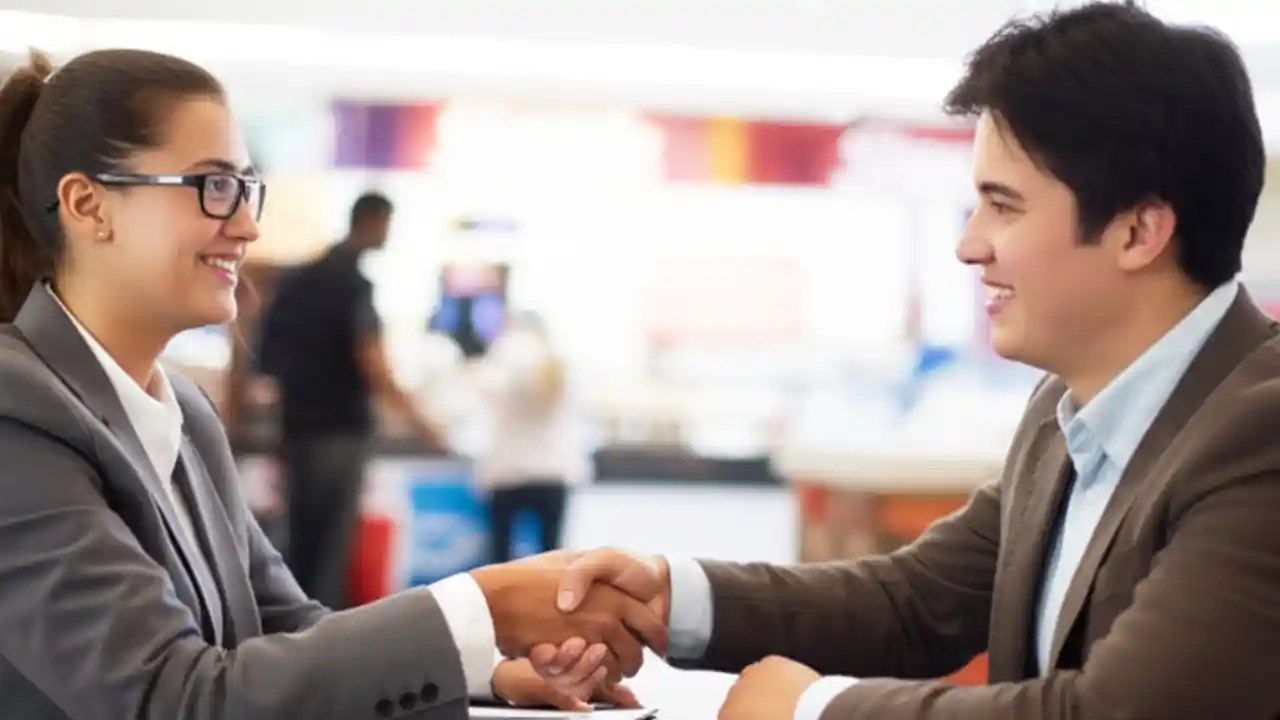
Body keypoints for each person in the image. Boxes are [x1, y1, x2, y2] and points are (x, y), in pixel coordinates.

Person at [538, 4, 1280, 718]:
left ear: (1137, 230)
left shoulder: (1259, 432)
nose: (969, 245)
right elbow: (917, 600)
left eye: (1005, 206)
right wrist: (669, 596)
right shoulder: (1069, 414)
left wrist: (812, 709)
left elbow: (1118, 712)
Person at [0, 49, 661, 719]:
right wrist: (481, 603)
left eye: (246, 187)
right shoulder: (16, 413)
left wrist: (489, 675)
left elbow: (286, 626)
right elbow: (173, 696)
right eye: (213, 186)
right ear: (88, 205)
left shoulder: (186, 414)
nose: (248, 225)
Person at [257, 192, 442, 610]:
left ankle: (288, 633)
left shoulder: (297, 281)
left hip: (296, 428)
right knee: (330, 550)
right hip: (340, 431)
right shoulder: (352, 285)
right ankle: (320, 643)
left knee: (298, 540)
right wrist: (422, 423)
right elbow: (373, 363)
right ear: (374, 222)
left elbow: (261, 358)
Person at [474, 312, 588, 562]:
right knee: (553, 558)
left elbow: (484, 393)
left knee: (499, 561)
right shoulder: (559, 362)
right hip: (553, 472)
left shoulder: (504, 355)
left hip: (507, 472)